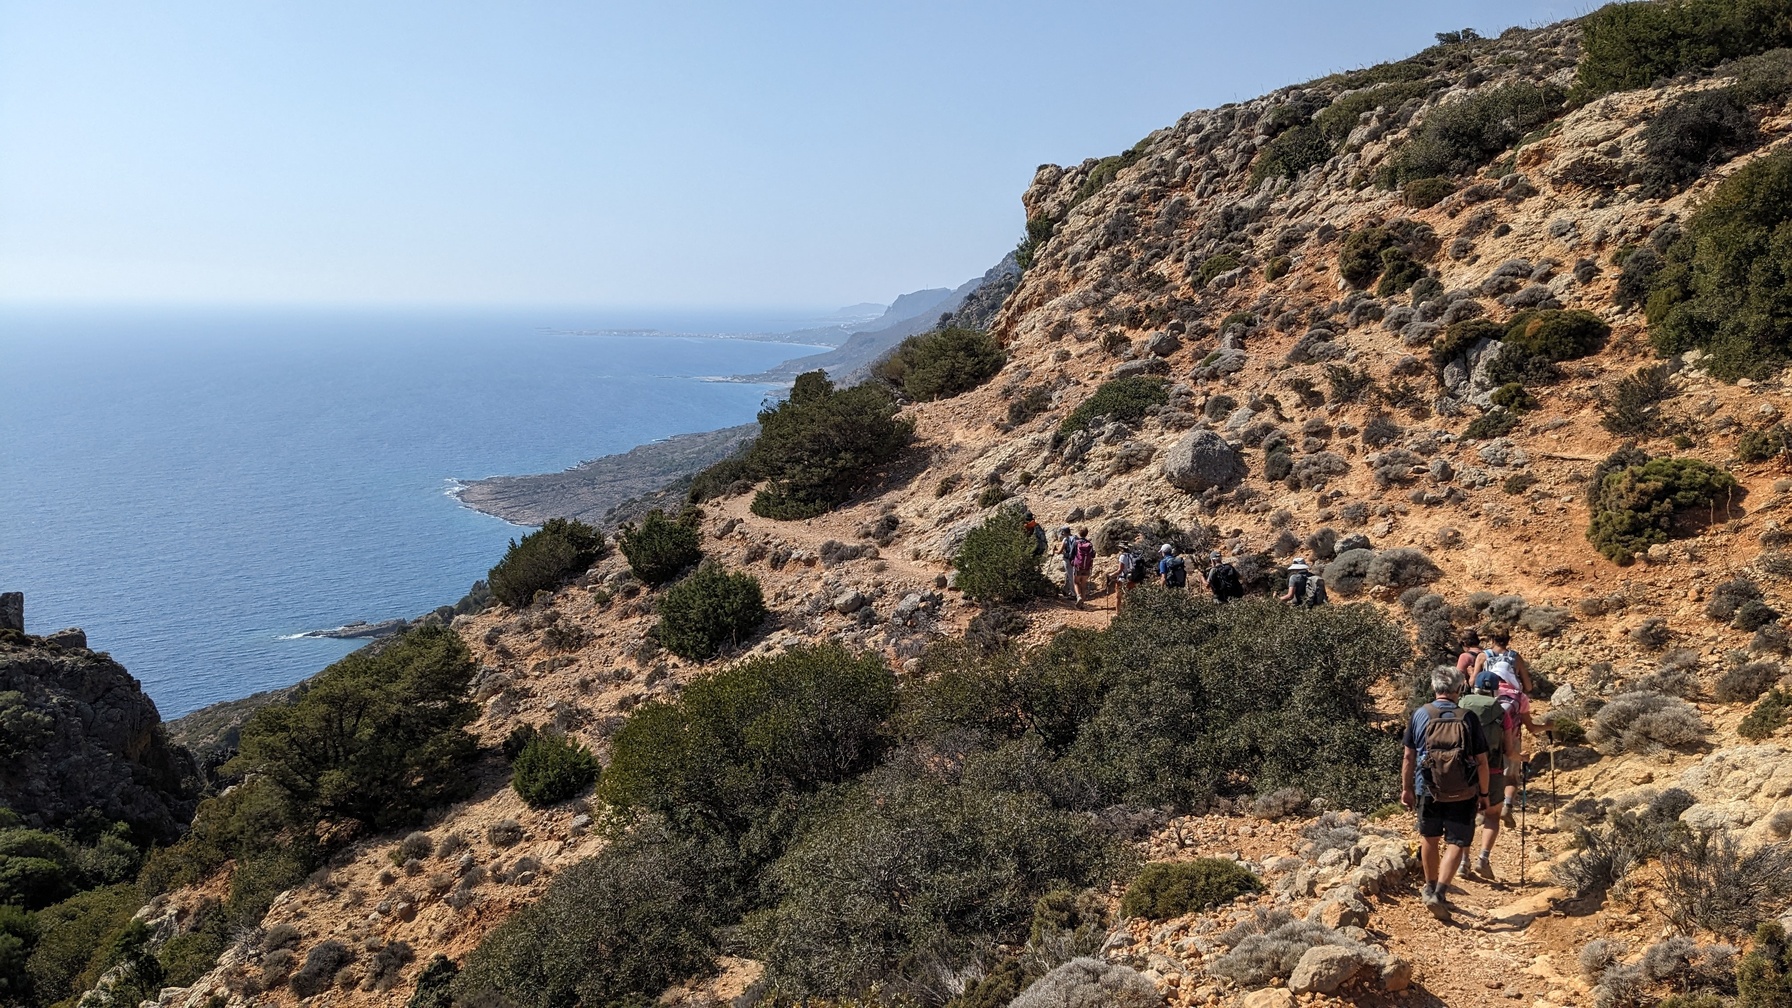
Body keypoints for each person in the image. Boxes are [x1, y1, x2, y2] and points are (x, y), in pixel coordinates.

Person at [1401, 665, 1491, 919]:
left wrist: (1407, 789)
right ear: (1459, 688)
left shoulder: (1420, 714)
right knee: (1456, 841)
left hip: (1427, 787)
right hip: (1464, 790)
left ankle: (1429, 888)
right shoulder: (1468, 717)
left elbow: (1409, 756)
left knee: (1429, 837)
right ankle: (1440, 892)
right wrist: (1484, 794)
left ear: (1434, 687)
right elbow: (1482, 761)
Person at [1459, 670, 1518, 882]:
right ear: (1494, 690)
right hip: (1492, 770)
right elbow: (1508, 750)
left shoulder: (1461, 704)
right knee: (1492, 815)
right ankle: (1482, 859)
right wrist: (1521, 757)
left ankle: (1463, 862)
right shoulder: (1501, 712)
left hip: (1463, 769)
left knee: (1466, 814)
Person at [1472, 630, 1536, 821]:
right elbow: (1529, 686)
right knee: (1511, 774)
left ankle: (1483, 810)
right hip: (1513, 720)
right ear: (1508, 640)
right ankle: (1507, 804)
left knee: (1486, 767)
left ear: (1491, 639)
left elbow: (1472, 680)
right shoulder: (1515, 657)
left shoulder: (1483, 656)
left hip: (1486, 723)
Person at [1113, 542, 1147, 613]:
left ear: (1122, 549)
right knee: (1130, 596)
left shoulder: (1123, 556)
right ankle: (1131, 613)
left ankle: (1118, 613)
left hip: (1123, 579)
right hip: (1132, 578)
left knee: (1118, 597)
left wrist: (1111, 575)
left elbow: (1120, 570)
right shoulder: (1132, 555)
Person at [1071, 527, 1096, 605]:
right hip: (1087, 567)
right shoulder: (1089, 544)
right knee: (1083, 584)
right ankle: (1082, 604)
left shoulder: (1076, 543)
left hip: (1078, 566)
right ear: (1087, 533)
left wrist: (1072, 562)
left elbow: (1071, 554)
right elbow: (1093, 555)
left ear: (1079, 533)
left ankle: (1078, 597)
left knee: (1076, 582)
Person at [1058, 526, 1078, 599]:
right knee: (1069, 575)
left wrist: (1055, 551)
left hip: (1068, 560)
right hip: (1075, 559)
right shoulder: (1075, 538)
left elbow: (1059, 551)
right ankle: (1065, 590)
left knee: (1070, 576)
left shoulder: (1065, 540)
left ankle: (1073, 594)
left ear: (1064, 532)